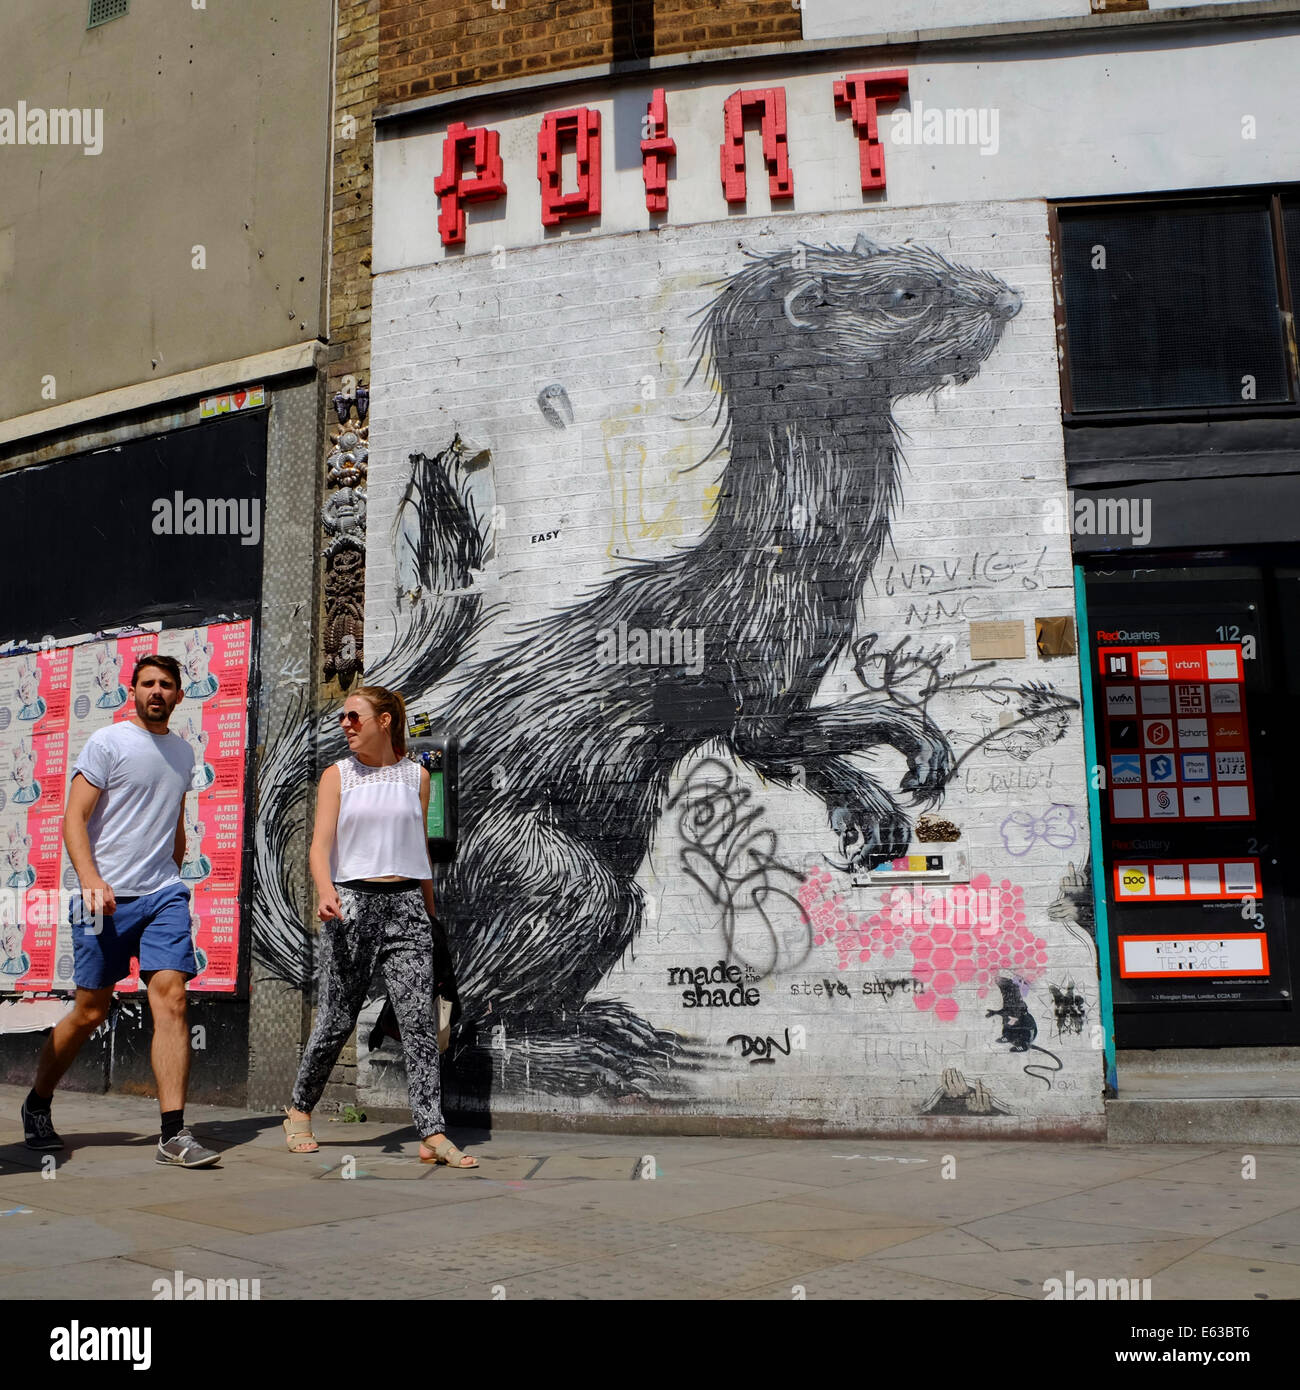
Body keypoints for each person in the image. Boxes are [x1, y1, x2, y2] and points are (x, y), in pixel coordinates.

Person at [20, 655, 220, 1167]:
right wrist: (90, 878)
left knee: (172, 997)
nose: (156, 691)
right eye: (148, 683)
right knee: (91, 1010)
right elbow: (74, 816)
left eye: (166, 685)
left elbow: (174, 819)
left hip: (163, 895)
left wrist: (173, 873)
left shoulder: (182, 752)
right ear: (132, 690)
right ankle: (38, 1102)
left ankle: (173, 1134)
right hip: (100, 898)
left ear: (179, 696)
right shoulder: (108, 742)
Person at [283, 685, 476, 1168]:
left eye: (354, 717)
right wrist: (326, 891)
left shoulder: (417, 777)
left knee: (419, 1025)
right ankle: (299, 1110)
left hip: (408, 905)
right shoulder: (338, 776)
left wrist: (431, 917)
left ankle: (431, 1133)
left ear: (385, 720)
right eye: (343, 719)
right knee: (336, 1018)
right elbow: (318, 847)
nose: (345, 725)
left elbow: (421, 853)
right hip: (352, 902)